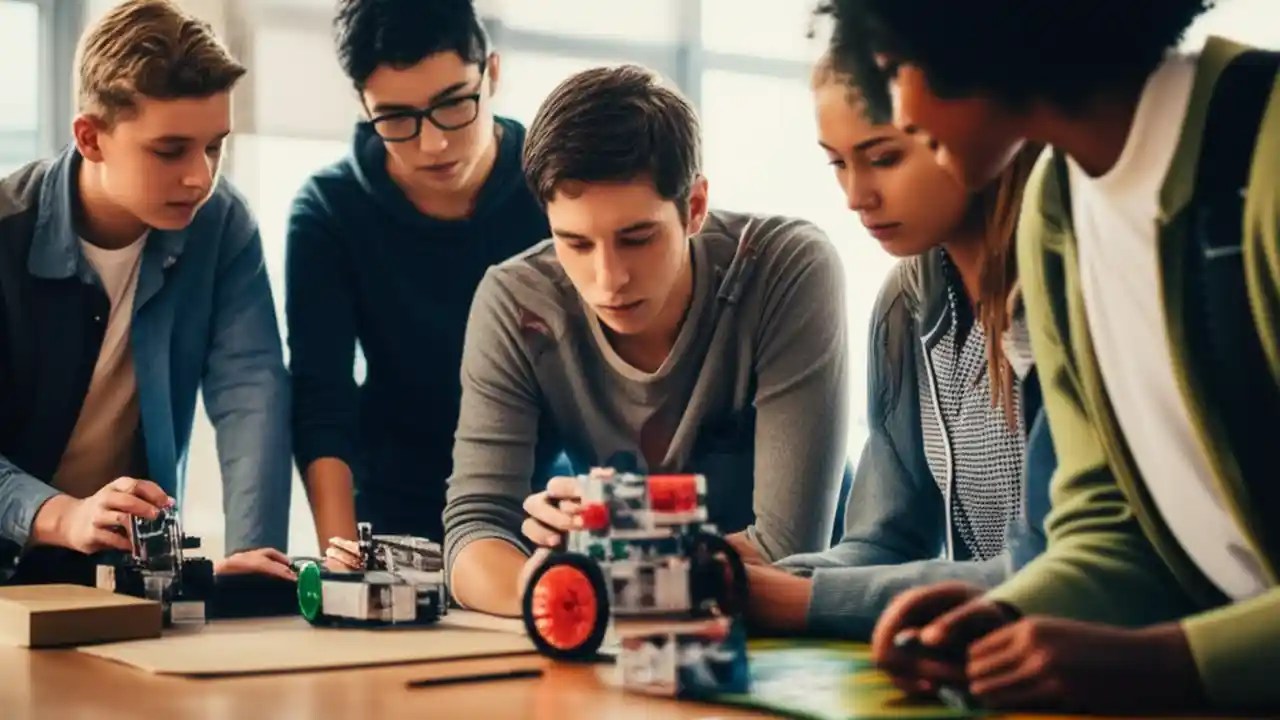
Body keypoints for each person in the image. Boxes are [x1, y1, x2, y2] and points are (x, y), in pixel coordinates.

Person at [822, 0, 1280, 712]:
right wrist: (1012, 615)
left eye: (891, 68)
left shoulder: (1267, 153)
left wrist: (1167, 661)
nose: (895, 106)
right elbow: (1107, 521)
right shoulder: (1057, 208)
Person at [443, 65, 851, 616]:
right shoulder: (516, 300)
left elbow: (787, 550)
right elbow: (473, 533)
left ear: (696, 208)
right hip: (633, 634)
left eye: (637, 239)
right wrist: (558, 591)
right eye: (575, 243)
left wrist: (598, 563)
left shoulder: (785, 269)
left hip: (804, 625)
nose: (608, 280)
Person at [743, 52, 1051, 639]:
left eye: (883, 158)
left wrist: (791, 598)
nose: (855, 196)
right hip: (976, 657)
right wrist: (752, 578)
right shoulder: (904, 304)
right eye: (837, 163)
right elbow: (884, 539)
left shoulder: (1058, 300)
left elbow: (1055, 571)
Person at [0, 0, 293, 584]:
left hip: (121, 574)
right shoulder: (6, 232)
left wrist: (254, 555)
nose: (201, 176)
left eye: (215, 145)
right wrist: (63, 514)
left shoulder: (223, 224)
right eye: (170, 150)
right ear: (91, 137)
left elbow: (251, 392)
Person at [287, 0, 557, 560]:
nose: (432, 143)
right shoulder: (329, 211)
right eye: (396, 118)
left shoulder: (555, 187)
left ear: (494, 74)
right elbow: (323, 400)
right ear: (362, 103)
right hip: (392, 523)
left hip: (541, 513)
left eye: (454, 103)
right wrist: (343, 558)